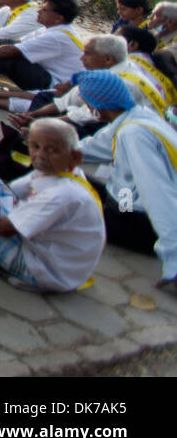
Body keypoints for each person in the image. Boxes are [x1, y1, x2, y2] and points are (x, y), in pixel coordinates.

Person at [0, 118, 105, 292]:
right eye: (35, 147)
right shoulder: (59, 171)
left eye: (52, 150)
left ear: (74, 157)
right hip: (48, 256)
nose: (40, 155)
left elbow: (3, 228)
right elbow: (6, 191)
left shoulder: (63, 193)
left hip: (44, 270)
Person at [73, 70, 177, 285]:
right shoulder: (135, 115)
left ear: (97, 103)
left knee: (65, 201)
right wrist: (52, 145)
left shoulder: (134, 134)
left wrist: (173, 258)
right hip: (127, 201)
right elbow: (93, 146)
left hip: (141, 224)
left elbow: (158, 193)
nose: (89, 109)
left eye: (88, 103)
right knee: (72, 178)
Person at [0, 0, 84, 100]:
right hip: (45, 75)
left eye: (44, 10)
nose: (38, 11)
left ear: (58, 18)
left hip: (55, 85)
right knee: (4, 44)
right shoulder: (51, 30)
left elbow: (12, 50)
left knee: (9, 55)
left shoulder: (58, 36)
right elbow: (15, 42)